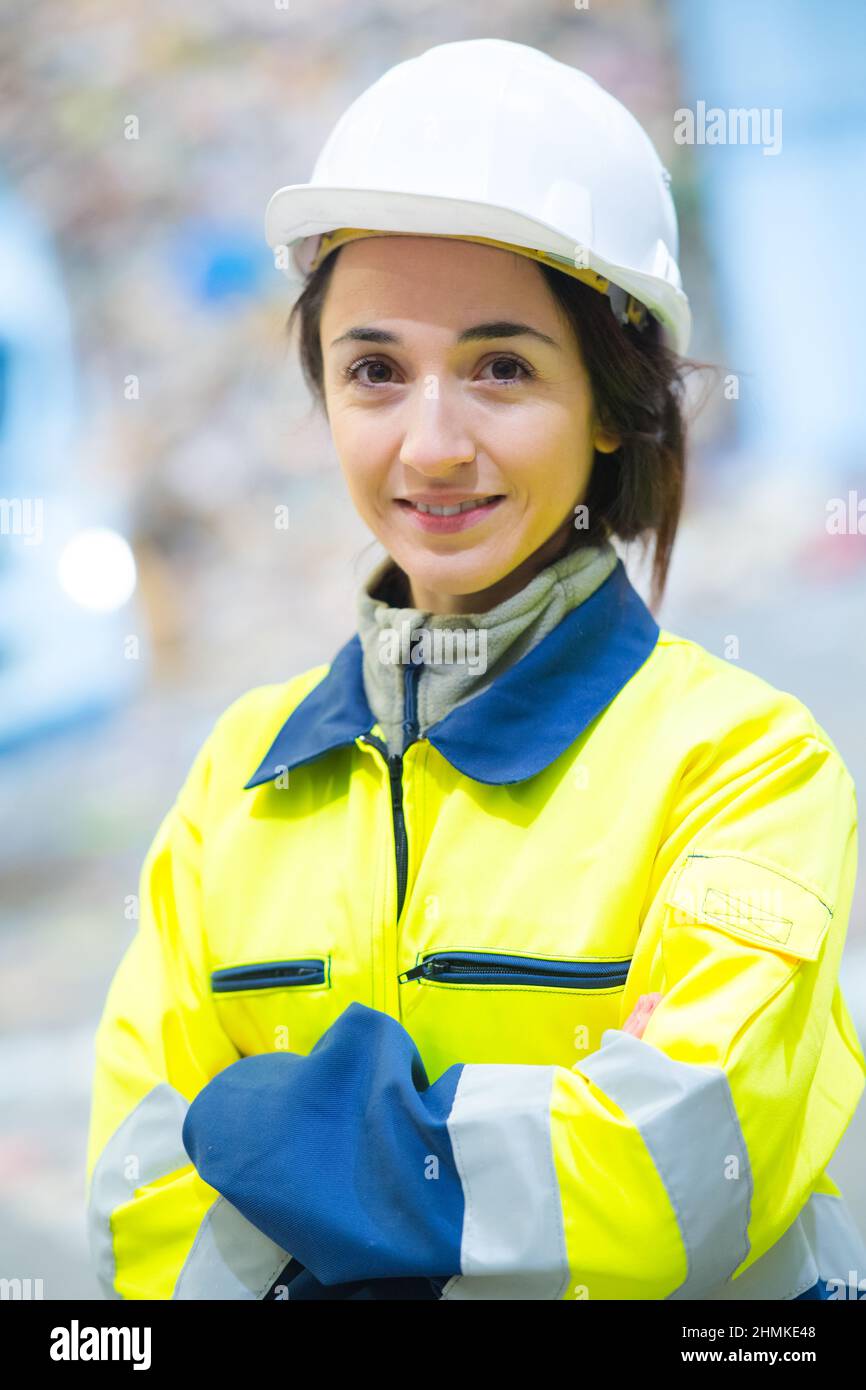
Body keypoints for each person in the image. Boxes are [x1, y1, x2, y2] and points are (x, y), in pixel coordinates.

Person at [85, 38, 866, 1301]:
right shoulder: (238, 777)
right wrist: (485, 1181)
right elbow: (139, 1205)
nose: (431, 443)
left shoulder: (744, 769)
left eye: (501, 366)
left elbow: (673, 1185)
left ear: (611, 400)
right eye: (374, 370)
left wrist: (290, 1142)